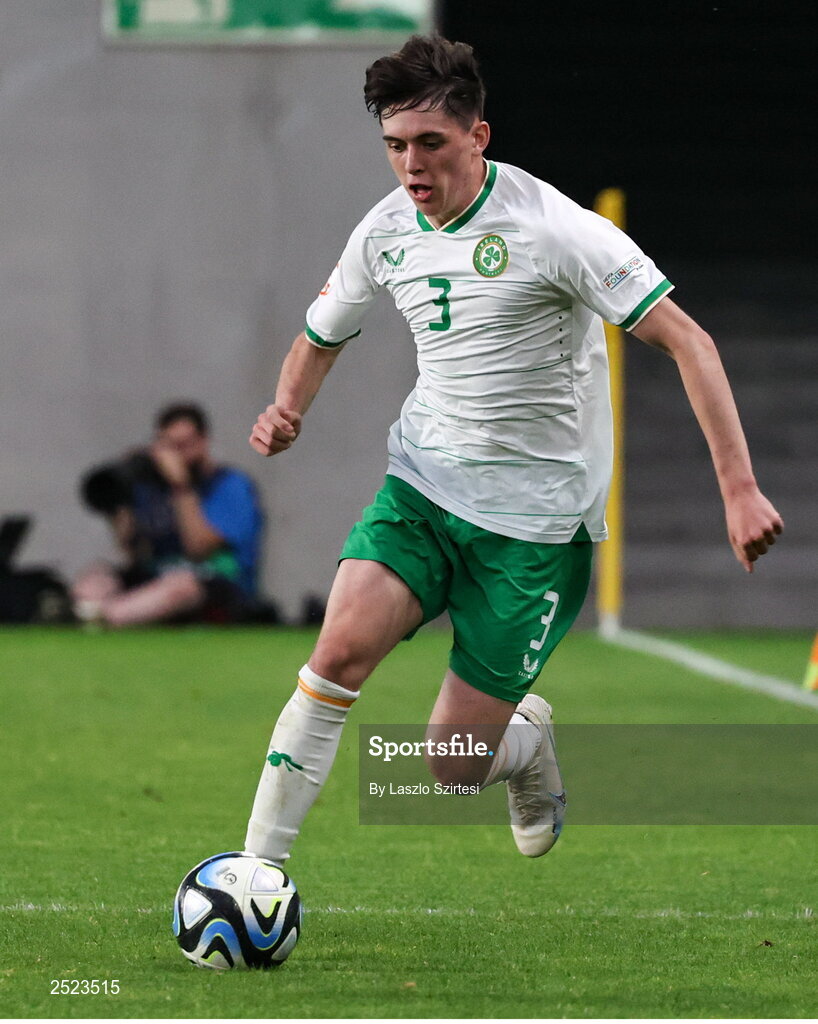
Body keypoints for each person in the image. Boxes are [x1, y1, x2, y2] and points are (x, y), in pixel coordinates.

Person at [244, 35, 783, 864]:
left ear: (478, 136)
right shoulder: (386, 230)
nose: (411, 166)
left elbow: (690, 342)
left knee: (447, 770)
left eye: (431, 143)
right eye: (395, 146)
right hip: (422, 490)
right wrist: (286, 408)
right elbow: (322, 333)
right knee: (337, 652)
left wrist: (739, 491)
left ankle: (523, 741)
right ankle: (256, 872)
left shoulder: (554, 229)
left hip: (533, 531)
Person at [73, 402, 264, 626]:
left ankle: (103, 617)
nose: (175, 455)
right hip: (156, 578)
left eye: (183, 445)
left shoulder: (231, 486)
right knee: (95, 581)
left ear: (204, 442)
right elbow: (132, 551)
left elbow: (199, 548)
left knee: (179, 587)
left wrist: (181, 487)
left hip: (215, 584)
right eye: (168, 446)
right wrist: (120, 497)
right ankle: (96, 613)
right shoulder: (153, 488)